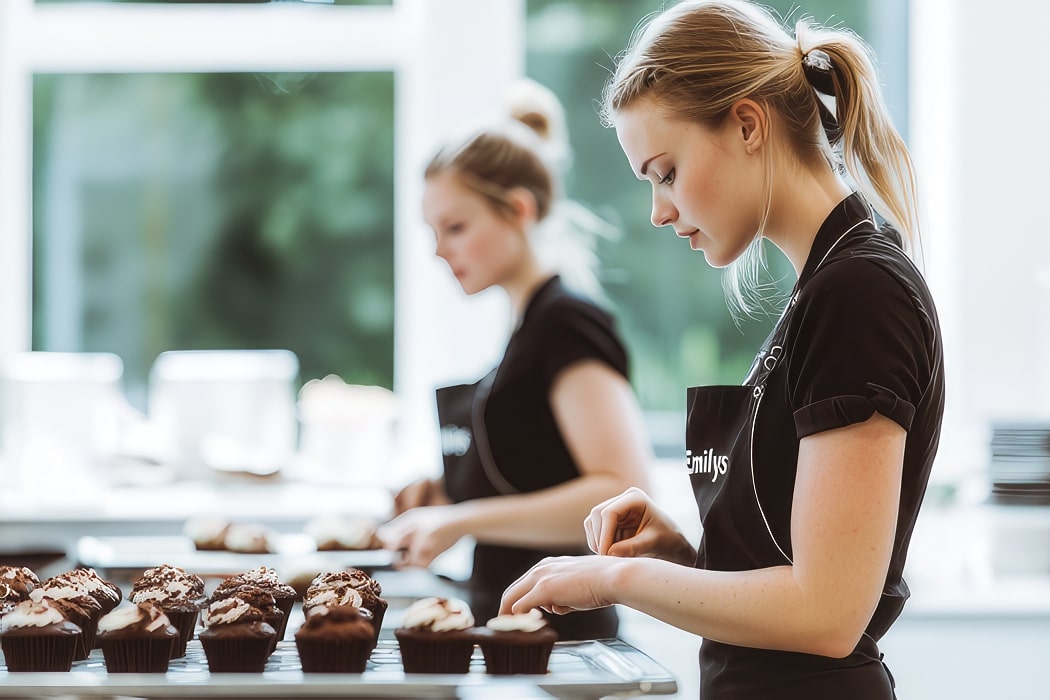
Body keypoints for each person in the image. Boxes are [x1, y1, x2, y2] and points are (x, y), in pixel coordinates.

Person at [499, 1, 945, 697]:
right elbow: (792, 576)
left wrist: (617, 577)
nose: (658, 211)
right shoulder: (824, 290)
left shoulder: (858, 293)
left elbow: (827, 615)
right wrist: (684, 555)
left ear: (746, 125)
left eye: (666, 172)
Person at [379, 79, 653, 641]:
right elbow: (536, 468)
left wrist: (460, 520)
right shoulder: (526, 325)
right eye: (433, 231)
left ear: (519, 210)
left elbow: (619, 490)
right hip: (519, 625)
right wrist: (447, 489)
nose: (439, 250)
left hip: (562, 635)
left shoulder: (566, 323)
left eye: (456, 227)